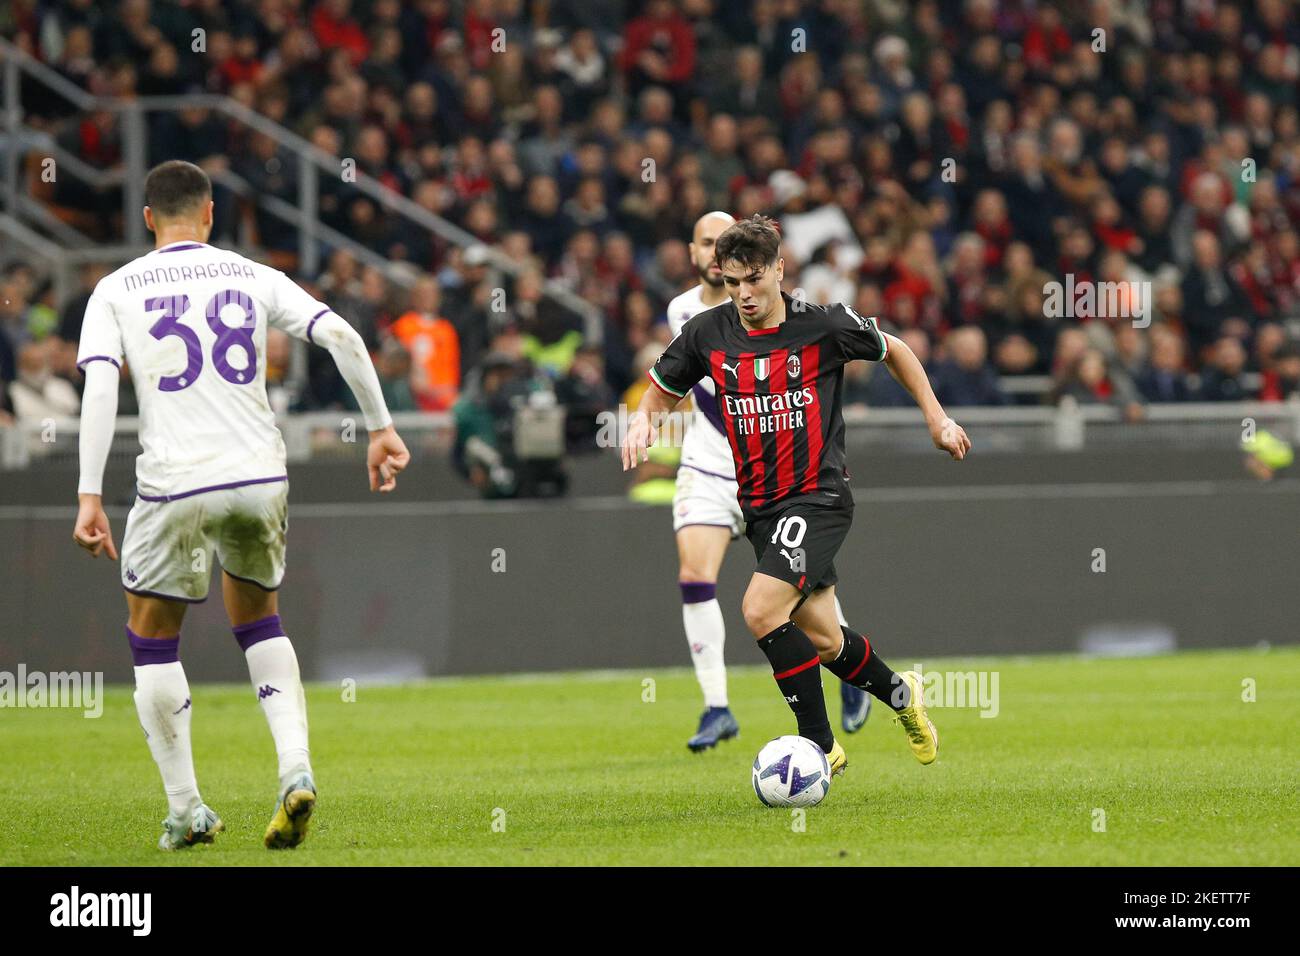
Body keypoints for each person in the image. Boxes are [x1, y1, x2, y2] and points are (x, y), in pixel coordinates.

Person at [70, 161, 410, 851]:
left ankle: (186, 807)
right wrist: (379, 427)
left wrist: (88, 491)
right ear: (211, 212)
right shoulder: (249, 273)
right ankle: (294, 770)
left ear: (146, 219)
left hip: (174, 481)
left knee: (153, 635)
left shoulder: (115, 288)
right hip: (259, 475)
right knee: (259, 621)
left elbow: (101, 387)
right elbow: (341, 335)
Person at [622, 215, 970, 775]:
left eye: (754, 279)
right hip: (760, 505)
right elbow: (663, 386)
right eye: (733, 282)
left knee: (759, 609)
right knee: (826, 641)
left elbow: (896, 350)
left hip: (819, 497)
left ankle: (820, 746)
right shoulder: (708, 332)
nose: (744, 294)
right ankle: (904, 697)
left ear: (780, 270)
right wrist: (643, 423)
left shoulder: (824, 326)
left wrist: (937, 419)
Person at [665, 211, 871, 752]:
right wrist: (643, 418)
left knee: (800, 596)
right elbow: (690, 382)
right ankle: (716, 706)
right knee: (696, 575)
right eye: (707, 246)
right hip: (713, 467)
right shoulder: (686, 315)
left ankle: (848, 676)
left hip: (787, 472)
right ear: (696, 255)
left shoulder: (801, 319)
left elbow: (884, 346)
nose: (717, 257)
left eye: (726, 247)